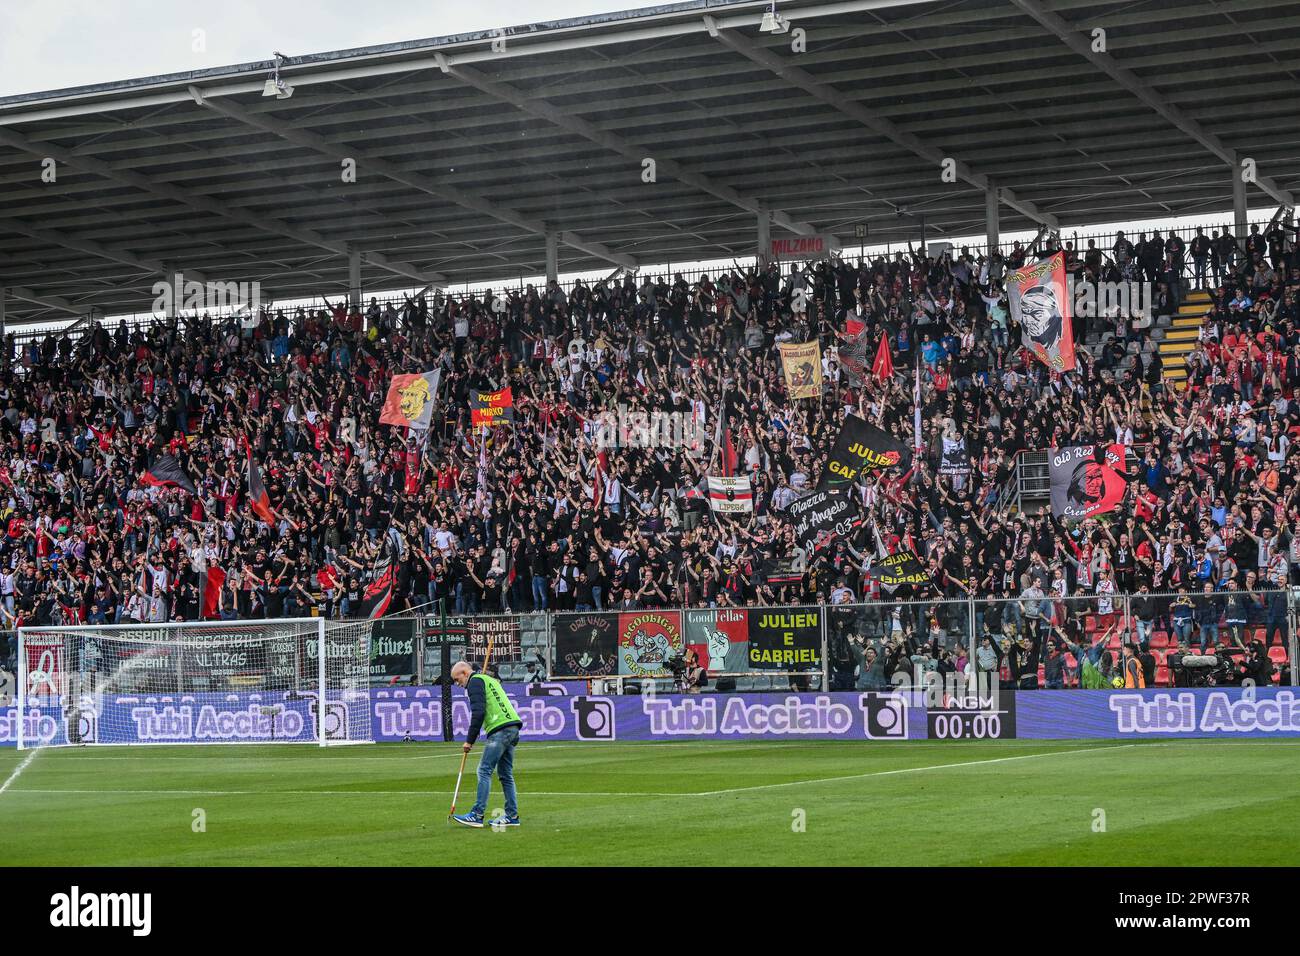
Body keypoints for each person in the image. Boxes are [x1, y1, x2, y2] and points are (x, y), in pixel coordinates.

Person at [450, 661, 523, 829]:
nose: (458, 684)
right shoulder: (488, 679)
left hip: (500, 729)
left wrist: (470, 740)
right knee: (505, 774)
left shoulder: (474, 682)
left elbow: (479, 712)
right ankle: (512, 816)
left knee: (484, 770)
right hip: (512, 727)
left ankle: (477, 814)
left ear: (465, 673)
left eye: (457, 679)